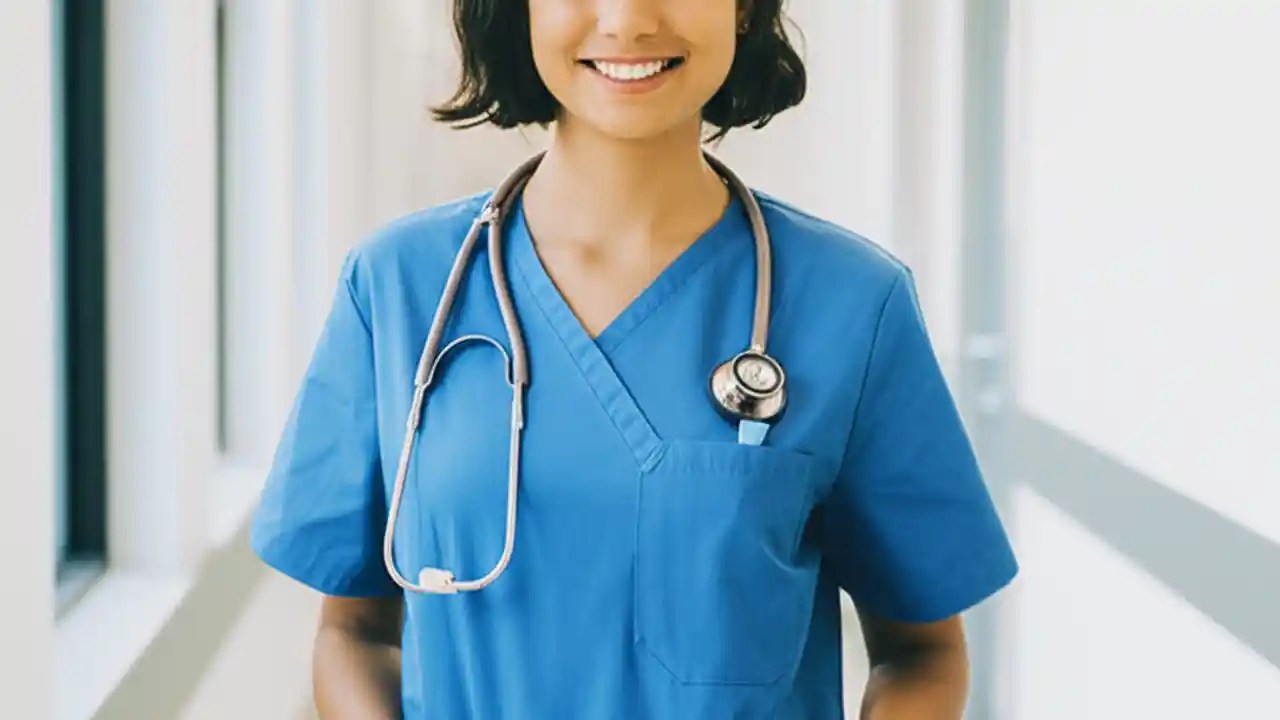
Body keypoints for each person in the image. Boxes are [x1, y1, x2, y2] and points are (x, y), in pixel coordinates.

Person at [249, 1, 1019, 718]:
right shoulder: (398, 288)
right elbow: (354, 632)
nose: (627, 19)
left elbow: (922, 649)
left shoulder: (852, 305)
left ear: (746, 7)